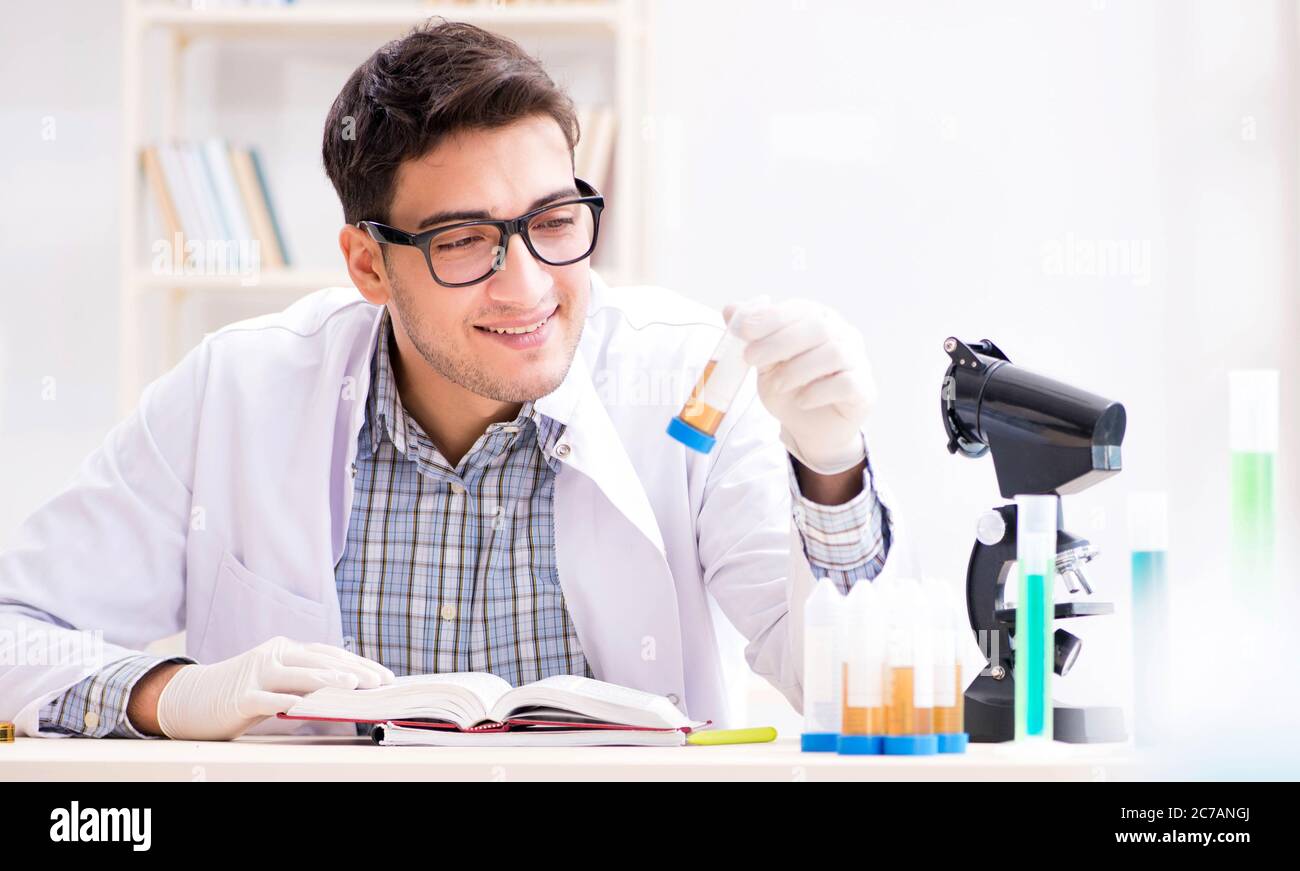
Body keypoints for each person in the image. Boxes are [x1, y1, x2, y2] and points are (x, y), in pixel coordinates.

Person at [0, 20, 890, 740]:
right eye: (464, 241)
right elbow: (13, 632)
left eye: (553, 218)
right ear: (368, 265)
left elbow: (855, 693)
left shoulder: (685, 379)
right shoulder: (235, 390)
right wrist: (169, 694)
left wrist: (830, 469)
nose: (529, 285)